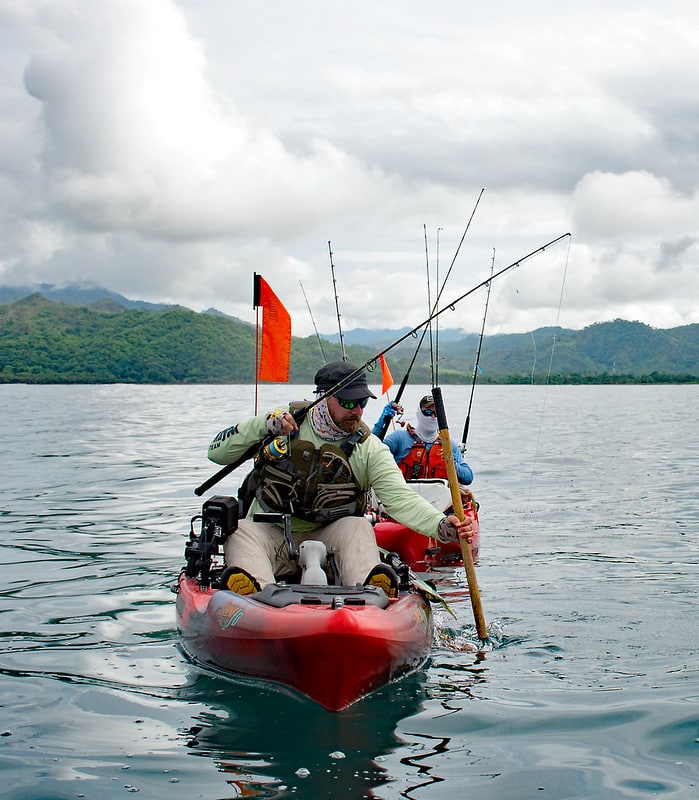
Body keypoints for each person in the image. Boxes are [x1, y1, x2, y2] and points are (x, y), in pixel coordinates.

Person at [207, 361, 474, 597]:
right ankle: (256, 595)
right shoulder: (281, 422)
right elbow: (216, 452)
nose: (357, 410)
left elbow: (400, 498)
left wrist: (441, 525)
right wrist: (263, 426)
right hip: (273, 534)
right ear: (323, 399)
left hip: (332, 540)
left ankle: (371, 593)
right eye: (348, 402)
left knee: (357, 527)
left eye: (363, 402)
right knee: (239, 531)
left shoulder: (368, 449)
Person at [373, 394, 474, 485]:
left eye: (436, 413)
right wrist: (380, 423)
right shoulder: (399, 438)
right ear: (419, 413)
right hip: (404, 499)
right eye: (428, 412)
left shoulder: (448, 444)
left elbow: (468, 478)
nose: (433, 416)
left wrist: (452, 463)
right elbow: (372, 453)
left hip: (439, 501)